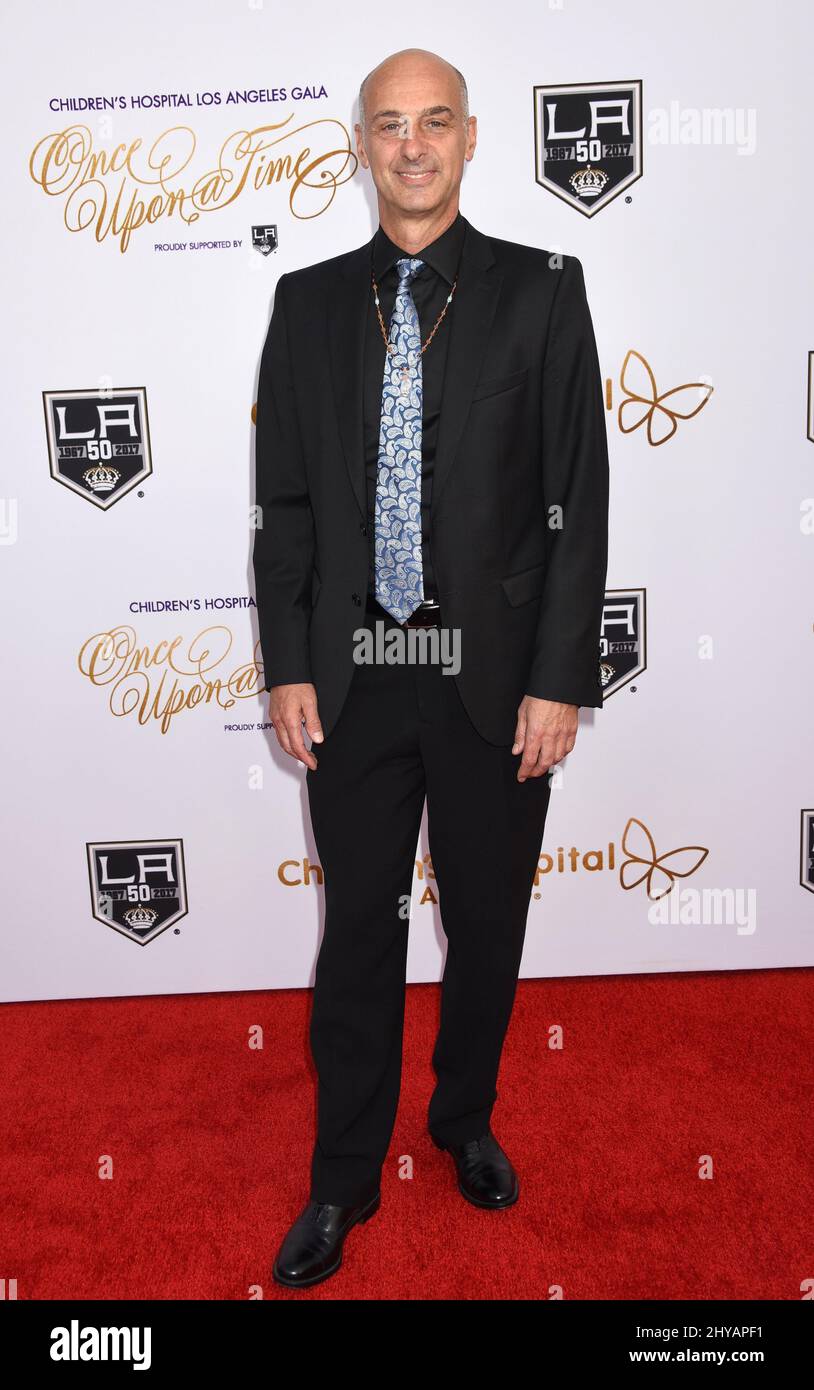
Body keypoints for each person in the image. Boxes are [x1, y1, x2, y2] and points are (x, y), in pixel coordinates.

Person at [253, 46, 609, 1289]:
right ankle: (341, 1178)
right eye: (388, 125)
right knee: (357, 928)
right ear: (361, 147)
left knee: (487, 919)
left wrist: (560, 677)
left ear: (469, 141)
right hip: (352, 672)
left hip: (496, 675)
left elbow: (577, 494)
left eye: (435, 122)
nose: (411, 145)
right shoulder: (303, 304)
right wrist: (288, 662)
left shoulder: (542, 290)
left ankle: (463, 1118)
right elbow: (285, 505)